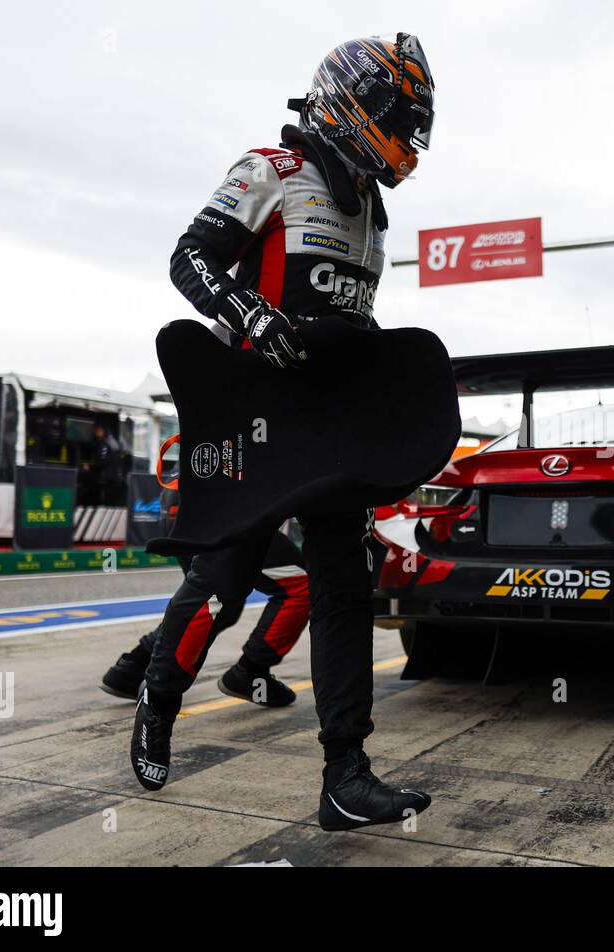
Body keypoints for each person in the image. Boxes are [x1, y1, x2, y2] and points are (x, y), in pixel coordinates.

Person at [132, 33, 436, 832]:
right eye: (398, 117)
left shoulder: (372, 207)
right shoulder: (271, 169)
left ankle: (346, 777)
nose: (407, 137)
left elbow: (353, 320)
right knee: (219, 585)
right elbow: (188, 258)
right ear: (352, 102)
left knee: (343, 589)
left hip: (330, 428)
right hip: (251, 421)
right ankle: (156, 707)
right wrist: (252, 316)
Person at [100, 531, 307, 706]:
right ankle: (251, 670)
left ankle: (133, 667)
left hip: (183, 507)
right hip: (233, 512)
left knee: (213, 603)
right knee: (302, 586)